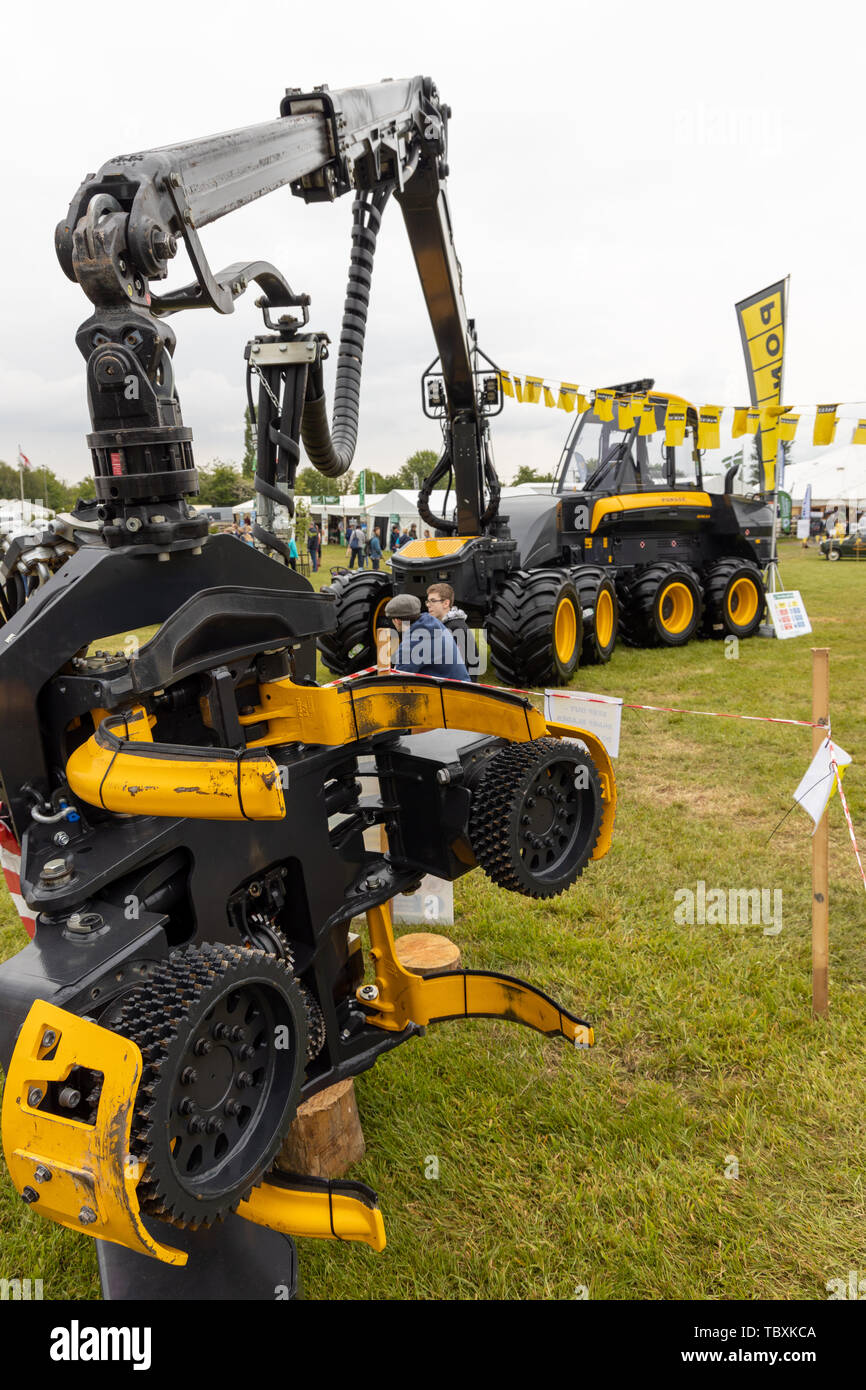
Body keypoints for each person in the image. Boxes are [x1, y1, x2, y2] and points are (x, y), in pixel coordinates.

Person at [384, 593, 469, 681]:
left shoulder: (414, 640)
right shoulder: (433, 623)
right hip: (461, 687)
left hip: (448, 691)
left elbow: (398, 680)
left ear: (397, 620)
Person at [425, 582, 480, 679]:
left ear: (446, 603)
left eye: (433, 601)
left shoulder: (456, 628)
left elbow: (460, 667)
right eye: (428, 601)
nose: (429, 605)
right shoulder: (445, 626)